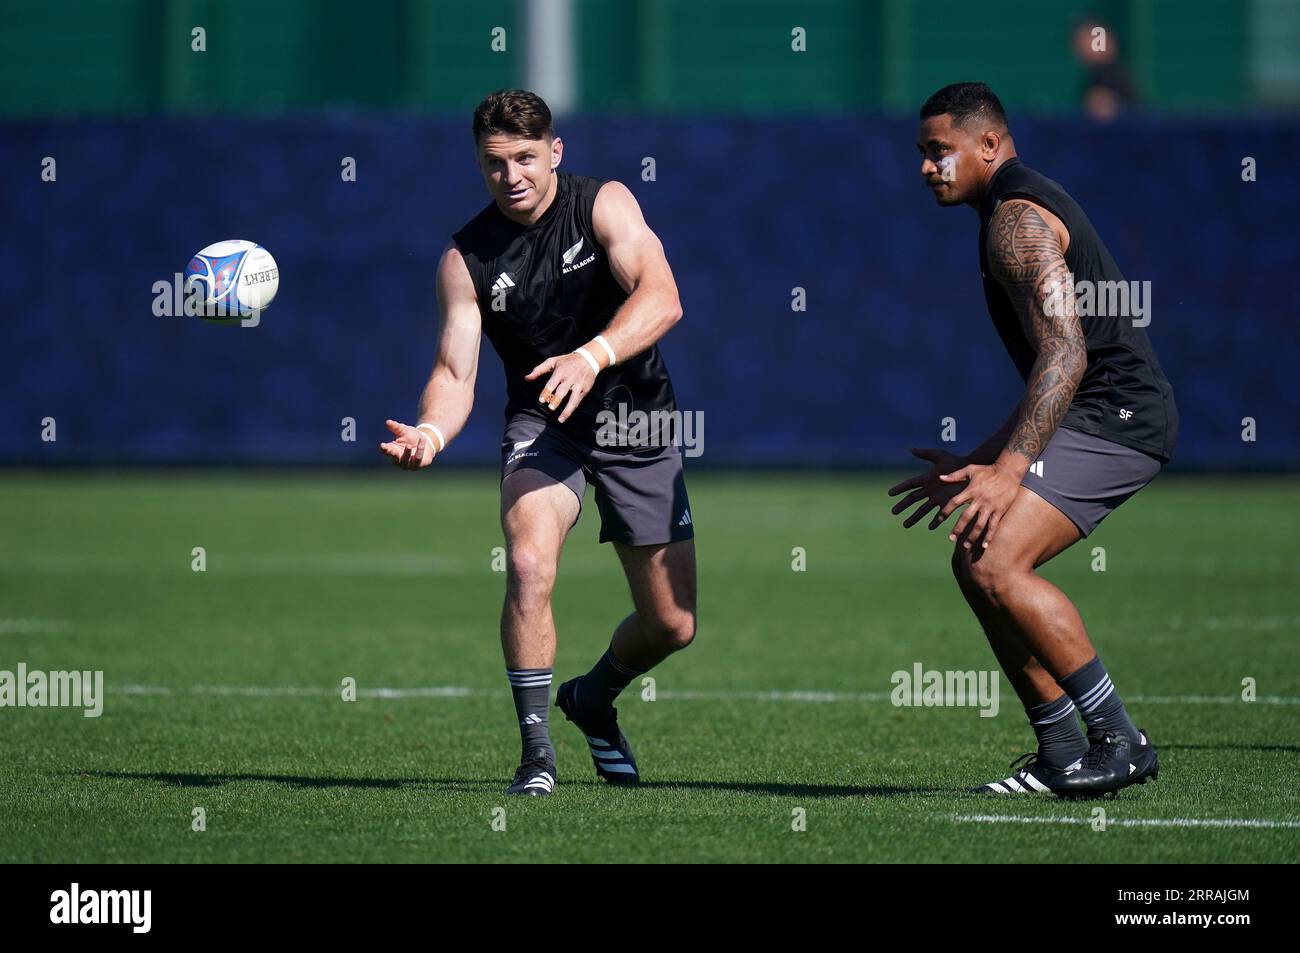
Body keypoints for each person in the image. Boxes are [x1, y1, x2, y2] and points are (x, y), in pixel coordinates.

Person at [380, 90, 697, 797]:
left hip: (634, 416)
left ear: (556, 152)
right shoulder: (466, 260)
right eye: (495, 164)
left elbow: (664, 295)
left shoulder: (603, 204)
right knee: (527, 560)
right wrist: (431, 429)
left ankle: (591, 698)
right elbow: (455, 372)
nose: (512, 175)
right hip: (543, 424)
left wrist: (592, 354)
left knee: (672, 623)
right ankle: (536, 755)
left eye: (526, 157)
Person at [890, 82, 1177, 797]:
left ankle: (1119, 739)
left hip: (1119, 417)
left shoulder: (1015, 220)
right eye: (922, 154)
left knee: (995, 561)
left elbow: (1067, 356)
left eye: (939, 152)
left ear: (989, 145)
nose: (928, 167)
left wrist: (1010, 468)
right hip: (1096, 411)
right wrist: (983, 460)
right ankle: (1060, 751)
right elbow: (1057, 371)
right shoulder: (1005, 211)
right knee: (975, 560)